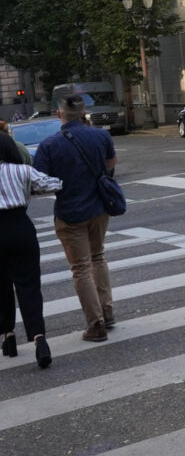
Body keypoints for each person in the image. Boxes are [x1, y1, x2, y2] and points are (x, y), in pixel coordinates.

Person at [31, 93, 117, 342]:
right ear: (84, 113)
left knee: (80, 268)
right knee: (98, 256)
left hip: (70, 212)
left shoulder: (49, 145)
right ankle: (107, 312)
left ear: (59, 114)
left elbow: (39, 182)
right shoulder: (101, 135)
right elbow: (111, 164)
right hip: (99, 208)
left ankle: (95, 324)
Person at [0, 130, 60, 368]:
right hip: (20, 227)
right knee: (29, 285)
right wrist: (31, 190)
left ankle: (8, 336)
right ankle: (39, 339)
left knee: (1, 286)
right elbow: (53, 184)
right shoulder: (23, 171)